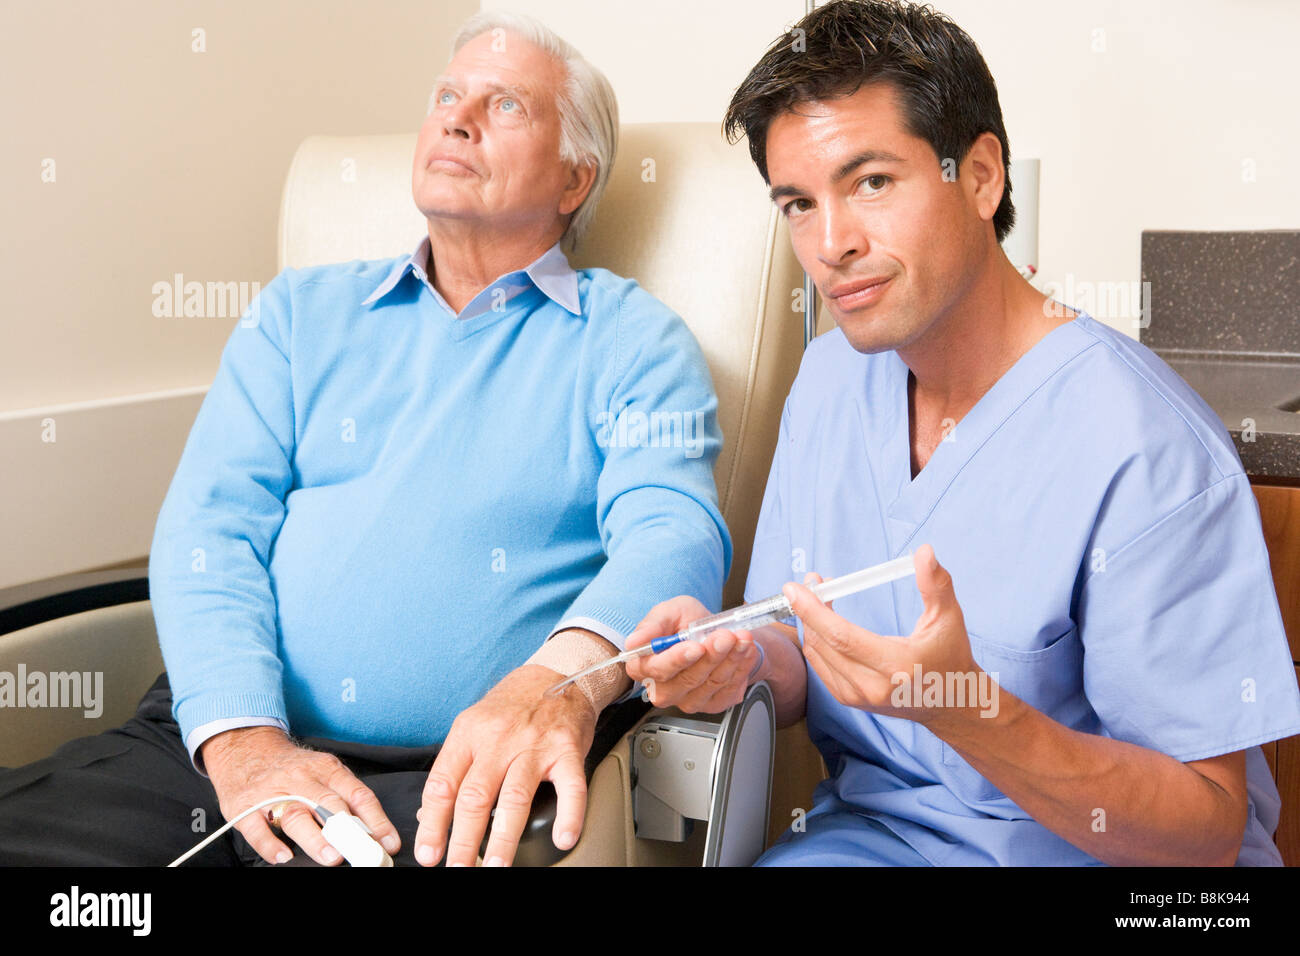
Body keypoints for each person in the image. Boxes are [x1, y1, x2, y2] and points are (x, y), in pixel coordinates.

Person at [0, 11, 729, 868]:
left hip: (445, 783)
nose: (456, 118)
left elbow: (674, 537)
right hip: (215, 745)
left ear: (575, 179)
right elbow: (209, 533)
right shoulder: (297, 315)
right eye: (447, 96)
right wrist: (244, 742)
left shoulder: (632, 341)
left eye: (504, 107)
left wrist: (556, 683)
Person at [625, 0, 1300, 865]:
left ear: (982, 176)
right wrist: (740, 661)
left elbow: (1204, 832)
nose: (829, 244)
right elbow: (798, 648)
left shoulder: (1147, 450)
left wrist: (968, 709)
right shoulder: (830, 382)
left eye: (871, 182)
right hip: (869, 841)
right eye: (797, 203)